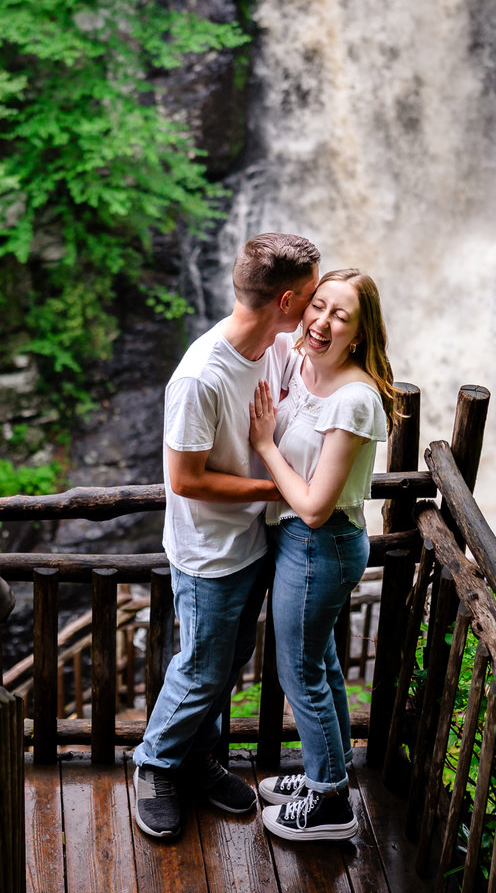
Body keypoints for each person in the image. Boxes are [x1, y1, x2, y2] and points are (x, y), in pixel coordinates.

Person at [131, 233, 321, 841]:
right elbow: (184, 480)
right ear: (287, 299)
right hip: (209, 551)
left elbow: (314, 379)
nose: (316, 310)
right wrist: (280, 490)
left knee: (229, 661)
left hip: (256, 542)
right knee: (201, 669)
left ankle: (195, 760)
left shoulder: (275, 347)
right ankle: (154, 765)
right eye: (314, 297)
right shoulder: (200, 378)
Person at [247, 267, 398, 842]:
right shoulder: (301, 361)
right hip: (299, 542)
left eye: (341, 315)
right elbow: (254, 327)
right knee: (322, 667)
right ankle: (325, 777)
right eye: (319, 307)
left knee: (301, 671)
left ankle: (330, 802)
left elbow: (312, 506)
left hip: (320, 542)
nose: (322, 322)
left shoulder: (355, 400)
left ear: (360, 333)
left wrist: (264, 444)